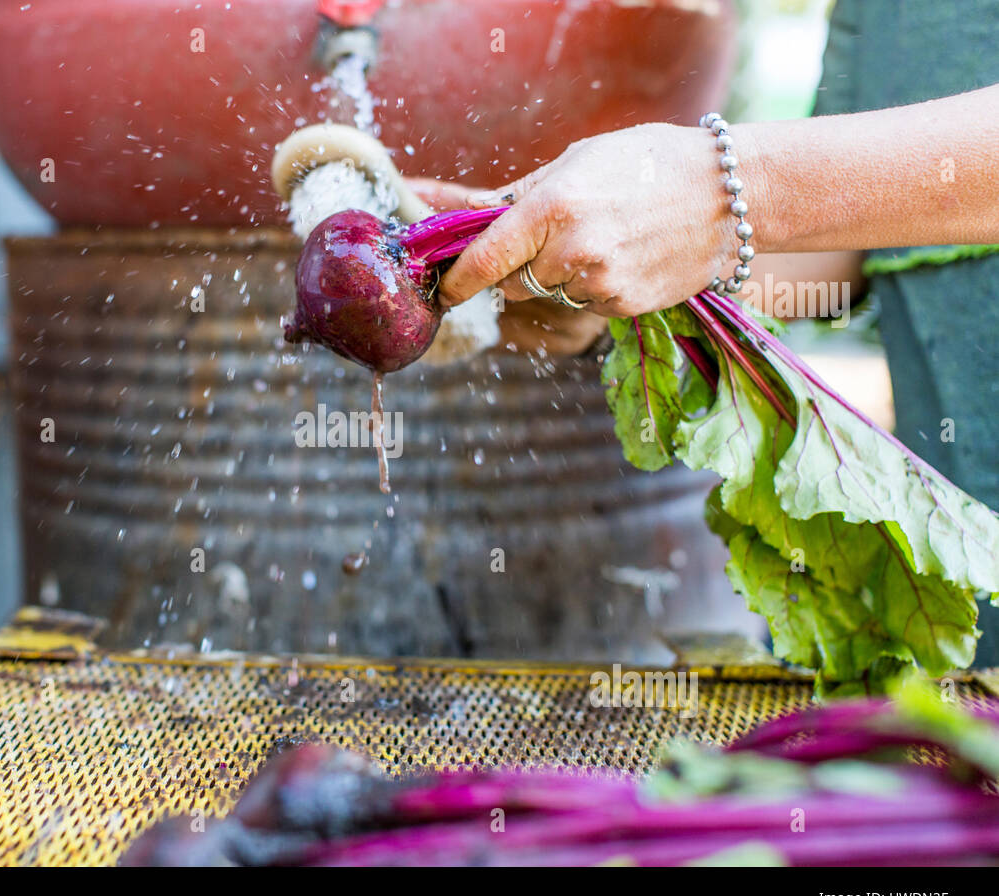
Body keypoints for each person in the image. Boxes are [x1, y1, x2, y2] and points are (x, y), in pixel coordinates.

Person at [414, 0, 999, 663]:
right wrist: (607, 279)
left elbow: (755, 202)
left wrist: (724, 188)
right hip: (960, 577)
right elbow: (835, 247)